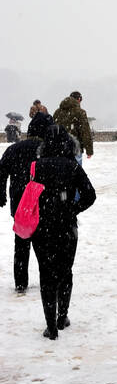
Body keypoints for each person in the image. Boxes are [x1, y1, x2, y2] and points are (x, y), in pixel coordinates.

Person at [29, 124, 97, 338]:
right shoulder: (72, 166)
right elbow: (90, 195)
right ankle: (62, 317)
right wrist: (71, 209)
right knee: (65, 271)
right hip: (67, 227)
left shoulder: (36, 166)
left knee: (46, 274)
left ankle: (50, 326)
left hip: (42, 228)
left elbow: (30, 197)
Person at [0, 111, 53, 294]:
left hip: (20, 204)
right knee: (44, 247)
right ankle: (47, 281)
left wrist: (1, 195)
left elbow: (1, 173)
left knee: (21, 245)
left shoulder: (14, 149)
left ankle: (21, 282)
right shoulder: (49, 150)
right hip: (43, 204)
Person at [53, 91, 93, 163]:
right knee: (76, 172)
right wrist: (89, 150)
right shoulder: (80, 112)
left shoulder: (57, 112)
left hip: (59, 148)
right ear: (78, 100)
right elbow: (85, 132)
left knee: (62, 172)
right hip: (75, 148)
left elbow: (52, 130)